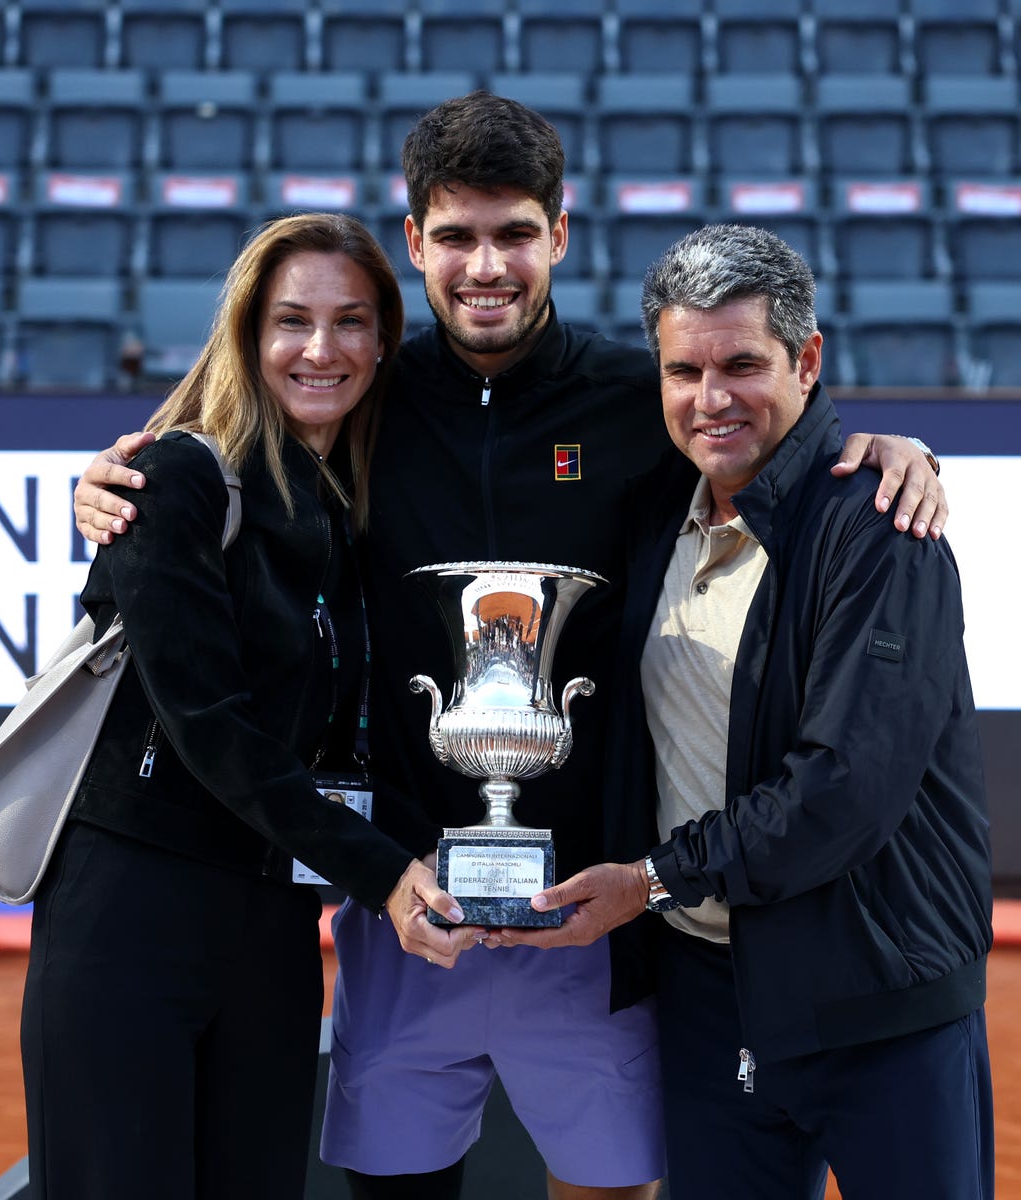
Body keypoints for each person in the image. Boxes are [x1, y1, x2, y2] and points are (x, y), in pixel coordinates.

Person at [72, 95, 948, 1200]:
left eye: (514, 235)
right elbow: (226, 449)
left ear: (559, 236)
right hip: (399, 905)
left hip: (594, 914)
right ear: (415, 244)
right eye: (455, 237)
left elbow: (761, 420)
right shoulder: (358, 400)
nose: (486, 266)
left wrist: (888, 448)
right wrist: (114, 481)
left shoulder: (646, 402)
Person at [500, 224, 994, 1200]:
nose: (708, 398)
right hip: (706, 998)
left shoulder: (880, 528)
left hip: (877, 1003)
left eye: (740, 364)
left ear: (804, 361)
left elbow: (840, 789)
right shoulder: (652, 517)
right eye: (682, 370)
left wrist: (648, 880)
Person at [21, 213, 481, 1200]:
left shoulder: (344, 507)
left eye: (353, 321)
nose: (322, 349)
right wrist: (389, 875)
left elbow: (335, 753)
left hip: (271, 920)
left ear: (384, 340)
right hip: (131, 912)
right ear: (245, 333)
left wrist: (463, 860)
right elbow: (209, 726)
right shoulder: (177, 475)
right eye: (292, 321)